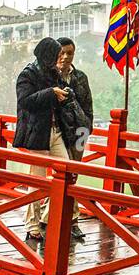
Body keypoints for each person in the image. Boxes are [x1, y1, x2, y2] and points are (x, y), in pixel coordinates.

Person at [15, 37, 75, 243]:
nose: (60, 58)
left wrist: (65, 94)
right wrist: (51, 93)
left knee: (66, 171)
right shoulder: (27, 74)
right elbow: (25, 102)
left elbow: (59, 97)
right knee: (37, 179)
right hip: (37, 132)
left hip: (56, 130)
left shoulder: (53, 73)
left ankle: (53, 218)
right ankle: (32, 225)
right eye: (57, 54)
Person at [56, 37, 93, 242]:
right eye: (62, 53)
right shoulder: (51, 77)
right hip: (60, 131)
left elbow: (88, 105)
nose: (65, 57)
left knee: (74, 176)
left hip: (79, 132)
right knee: (63, 177)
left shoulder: (80, 77)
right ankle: (70, 221)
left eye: (69, 53)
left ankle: (70, 222)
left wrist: (87, 127)